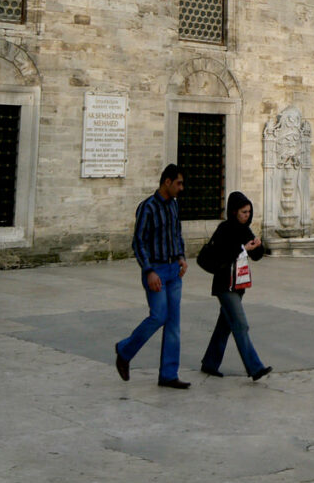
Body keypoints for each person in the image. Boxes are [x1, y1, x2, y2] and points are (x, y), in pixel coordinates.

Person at [115, 164, 190, 390]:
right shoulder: (147, 208)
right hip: (155, 270)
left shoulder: (174, 206)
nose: (181, 188)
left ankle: (168, 374)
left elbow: (176, 233)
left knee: (174, 323)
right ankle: (125, 350)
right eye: (178, 183)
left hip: (173, 271)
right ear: (166, 182)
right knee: (158, 316)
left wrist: (181, 257)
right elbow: (139, 242)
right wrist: (149, 271)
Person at [198, 191, 270, 382]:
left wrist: (257, 246)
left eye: (249, 212)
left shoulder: (245, 229)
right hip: (225, 285)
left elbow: (255, 256)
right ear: (234, 211)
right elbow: (222, 255)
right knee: (240, 324)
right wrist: (242, 249)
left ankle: (210, 363)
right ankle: (255, 367)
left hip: (238, 286)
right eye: (243, 212)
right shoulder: (224, 229)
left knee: (225, 325)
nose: (247, 215)